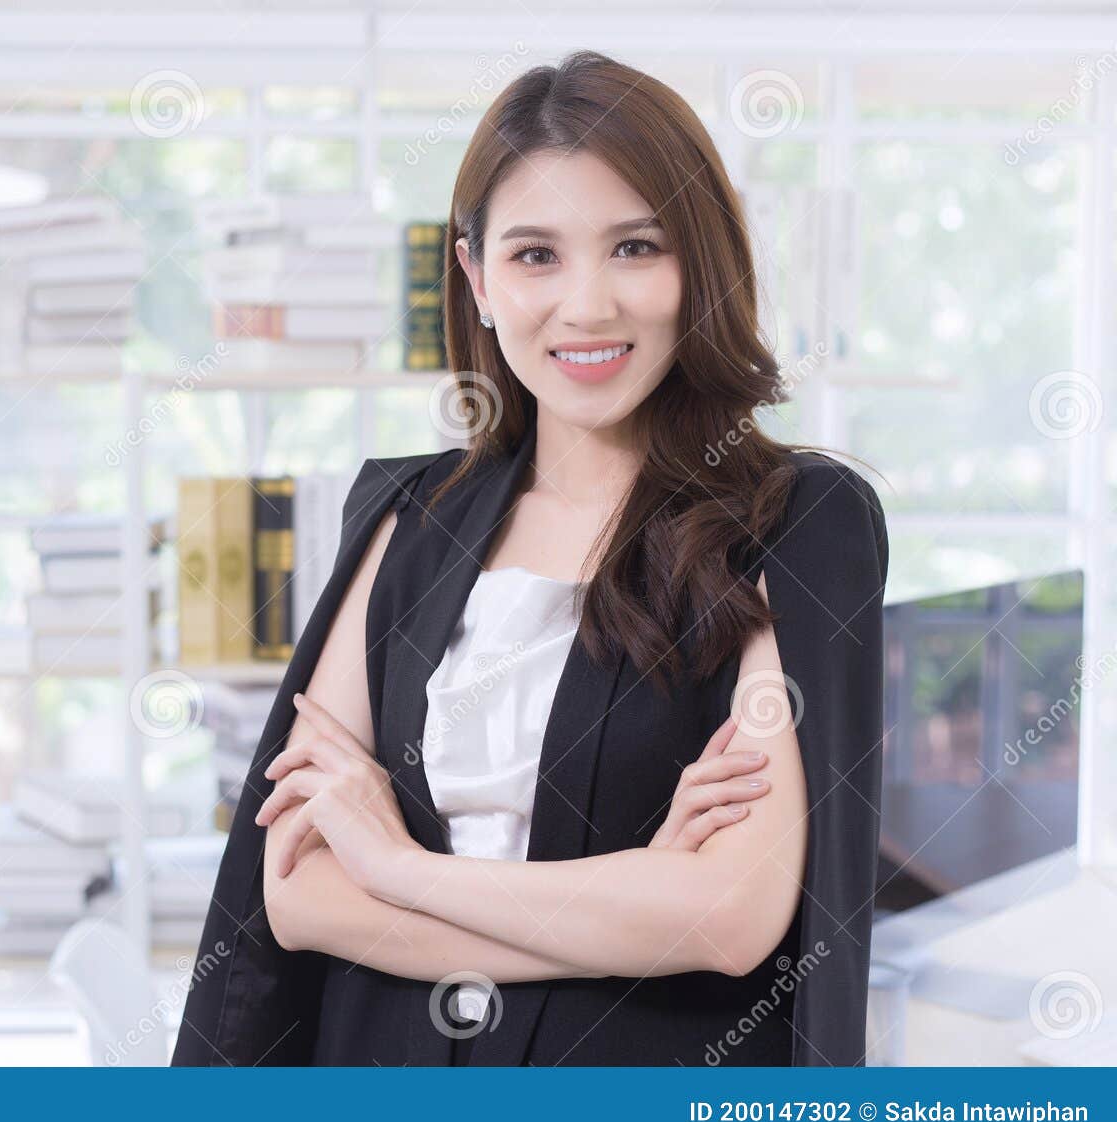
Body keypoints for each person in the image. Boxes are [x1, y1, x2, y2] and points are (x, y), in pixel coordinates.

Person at [173, 49, 888, 1066]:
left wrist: (394, 863)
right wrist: (630, 896)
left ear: (702, 261)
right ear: (474, 275)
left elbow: (727, 917)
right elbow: (295, 890)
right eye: (535, 254)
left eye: (635, 246)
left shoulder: (792, 520)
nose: (588, 305)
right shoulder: (406, 518)